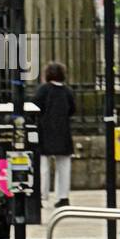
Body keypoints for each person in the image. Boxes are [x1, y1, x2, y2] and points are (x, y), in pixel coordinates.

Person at [33, 61, 76, 208]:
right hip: (63, 133)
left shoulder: (43, 90)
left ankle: (41, 195)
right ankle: (63, 196)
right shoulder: (68, 91)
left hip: (45, 132)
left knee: (42, 167)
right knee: (64, 167)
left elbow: (35, 107)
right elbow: (72, 110)